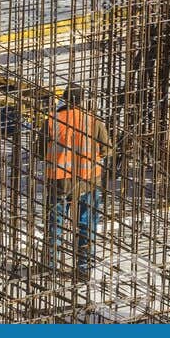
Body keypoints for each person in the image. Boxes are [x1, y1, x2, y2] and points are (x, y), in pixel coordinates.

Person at [39, 85, 111, 277]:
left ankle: (50, 266)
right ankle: (84, 268)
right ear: (81, 101)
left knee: (56, 225)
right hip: (88, 181)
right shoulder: (93, 121)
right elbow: (106, 149)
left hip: (60, 182)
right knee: (86, 225)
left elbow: (39, 151)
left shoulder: (52, 121)